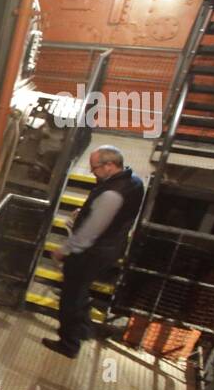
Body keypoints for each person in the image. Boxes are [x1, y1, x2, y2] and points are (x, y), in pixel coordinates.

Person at [43, 145, 144, 359]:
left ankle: (69, 343)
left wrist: (65, 249)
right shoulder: (134, 182)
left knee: (71, 298)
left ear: (109, 165)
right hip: (111, 248)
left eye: (95, 168)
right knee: (80, 292)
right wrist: (87, 211)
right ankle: (83, 330)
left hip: (91, 252)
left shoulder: (111, 193)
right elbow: (115, 215)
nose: (92, 172)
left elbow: (91, 231)